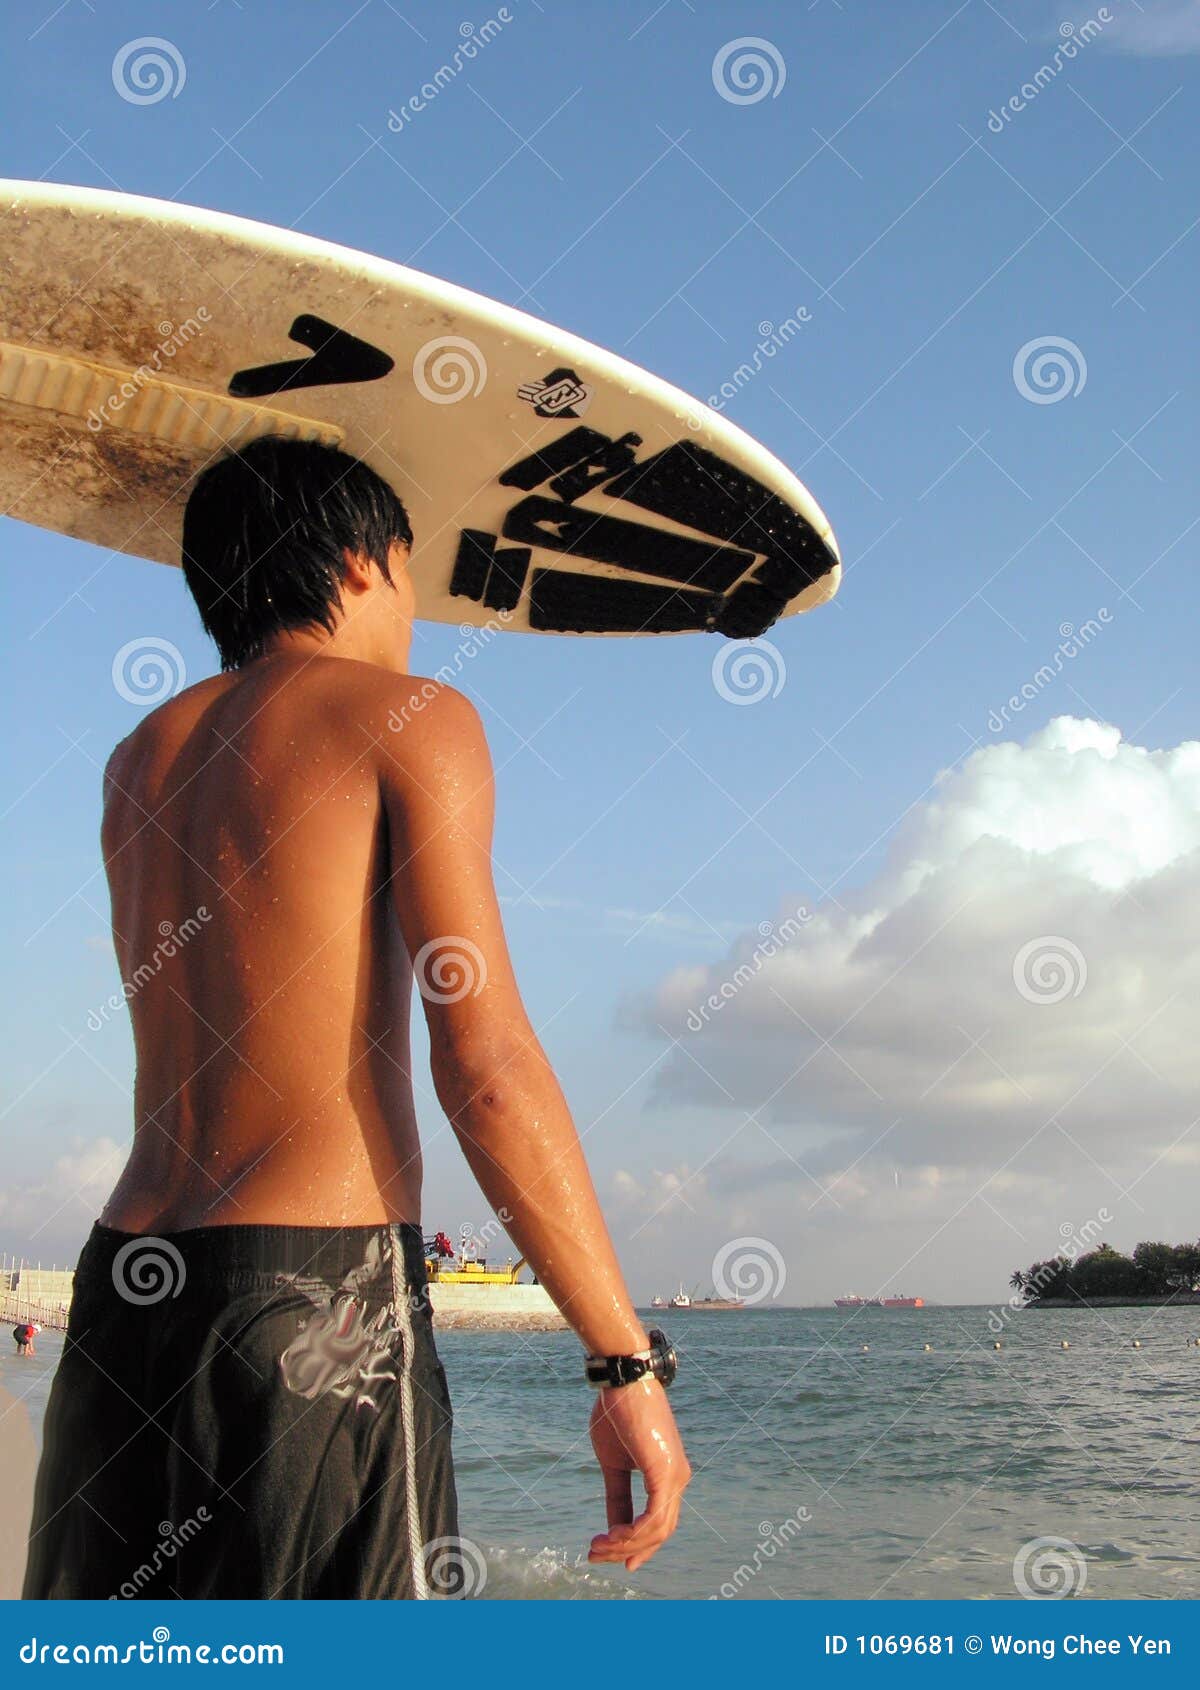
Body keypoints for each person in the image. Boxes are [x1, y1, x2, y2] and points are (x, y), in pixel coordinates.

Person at [23, 437, 690, 1600]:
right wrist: (624, 1362)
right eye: (415, 570)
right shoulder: (409, 716)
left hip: (123, 1297)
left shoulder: (141, 758)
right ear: (367, 560)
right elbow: (484, 1065)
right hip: (312, 1294)